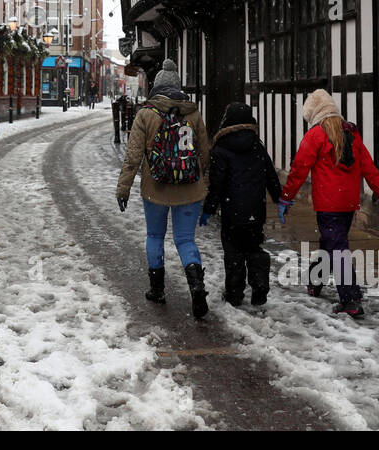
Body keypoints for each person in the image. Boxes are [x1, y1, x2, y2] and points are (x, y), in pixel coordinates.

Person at [278, 89, 379, 319]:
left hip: (328, 203)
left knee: (337, 247)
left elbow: (299, 170)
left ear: (313, 114)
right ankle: (315, 282)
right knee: (331, 241)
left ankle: (350, 299)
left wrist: (286, 198)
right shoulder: (351, 133)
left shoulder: (315, 136)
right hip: (348, 203)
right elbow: (369, 167)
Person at [115, 58, 212, 319]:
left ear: (155, 88)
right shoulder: (193, 113)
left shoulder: (146, 114)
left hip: (155, 187)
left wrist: (123, 188)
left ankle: (157, 290)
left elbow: (133, 156)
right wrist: (202, 181)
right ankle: (197, 287)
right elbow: (204, 153)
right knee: (185, 240)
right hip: (189, 188)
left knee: (155, 237)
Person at [203, 102, 281, 307]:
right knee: (253, 246)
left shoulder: (221, 148)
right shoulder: (257, 145)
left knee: (233, 251)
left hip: (232, 211)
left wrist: (208, 209)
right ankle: (259, 284)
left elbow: (216, 184)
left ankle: (235, 294)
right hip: (256, 208)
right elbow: (271, 175)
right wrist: (279, 199)